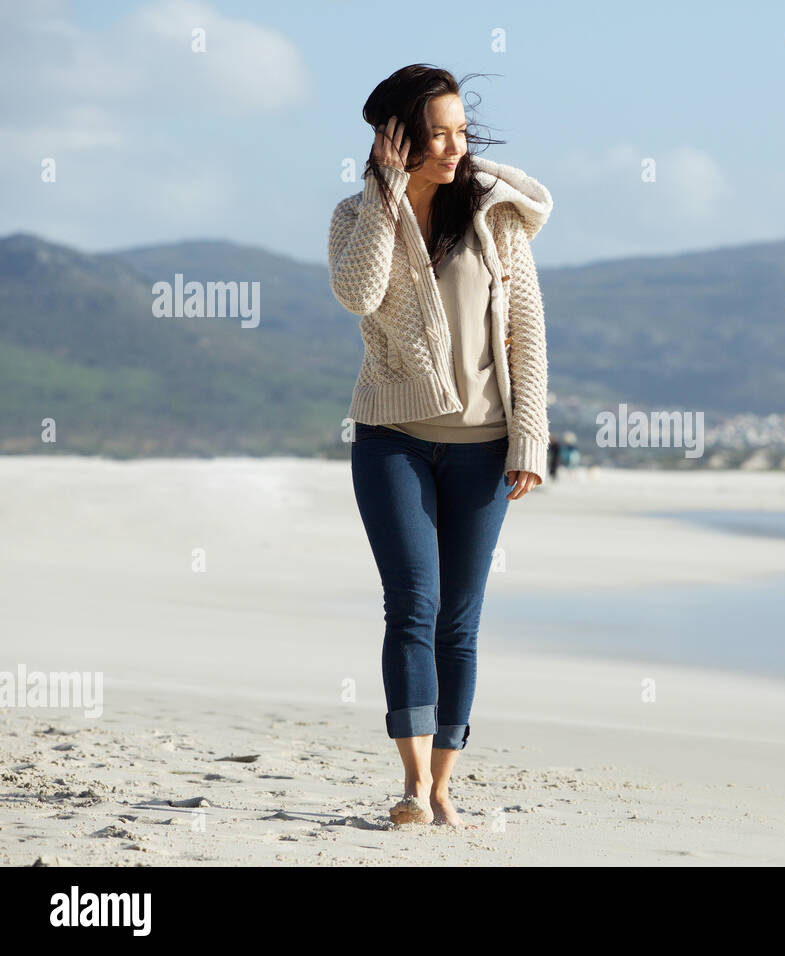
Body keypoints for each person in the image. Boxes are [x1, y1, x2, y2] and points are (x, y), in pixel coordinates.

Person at [327, 64, 553, 827]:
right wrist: (387, 195)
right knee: (412, 602)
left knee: (460, 615)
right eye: (440, 132)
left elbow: (527, 332)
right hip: (391, 436)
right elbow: (358, 294)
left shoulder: (496, 215)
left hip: (484, 446)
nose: (457, 145)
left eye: (463, 130)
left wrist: (530, 435)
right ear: (397, 137)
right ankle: (413, 785)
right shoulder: (355, 216)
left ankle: (446, 783)